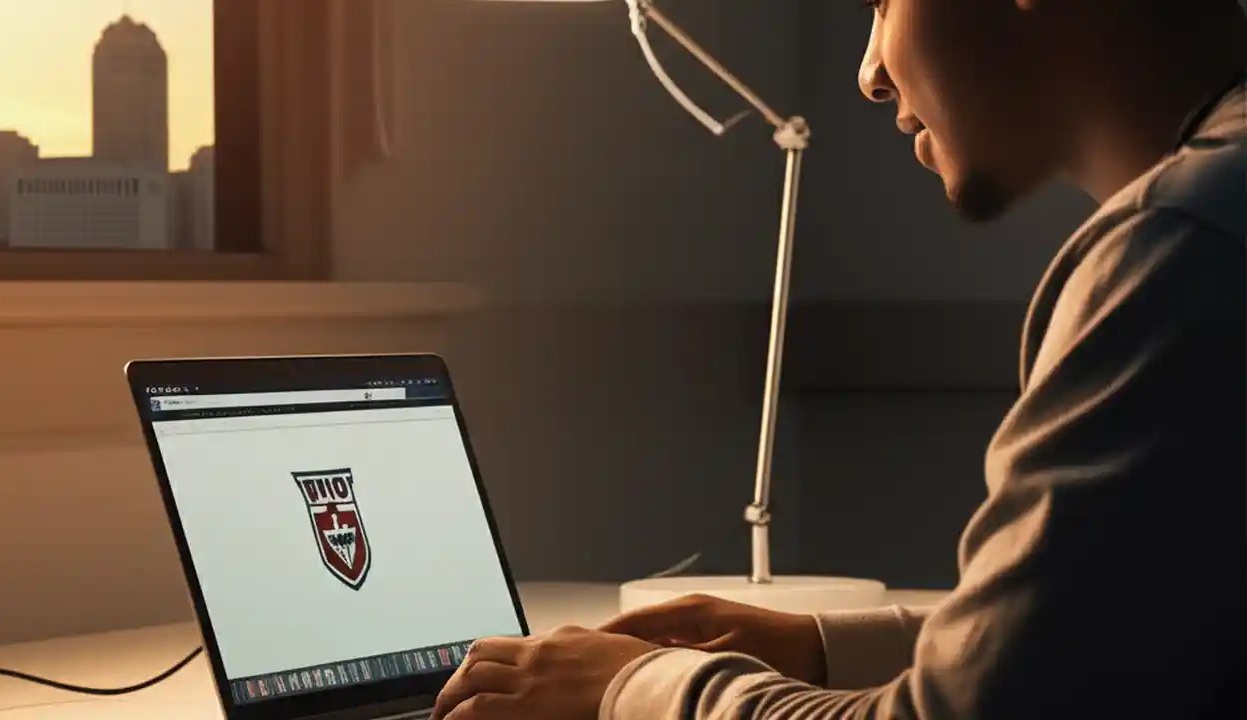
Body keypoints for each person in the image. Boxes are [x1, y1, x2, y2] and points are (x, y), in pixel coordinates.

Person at [430, 0, 1247, 717]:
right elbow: (1104, 643)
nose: (867, 75)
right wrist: (830, 650)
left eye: (879, 1)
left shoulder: (1177, 255)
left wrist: (633, 689)